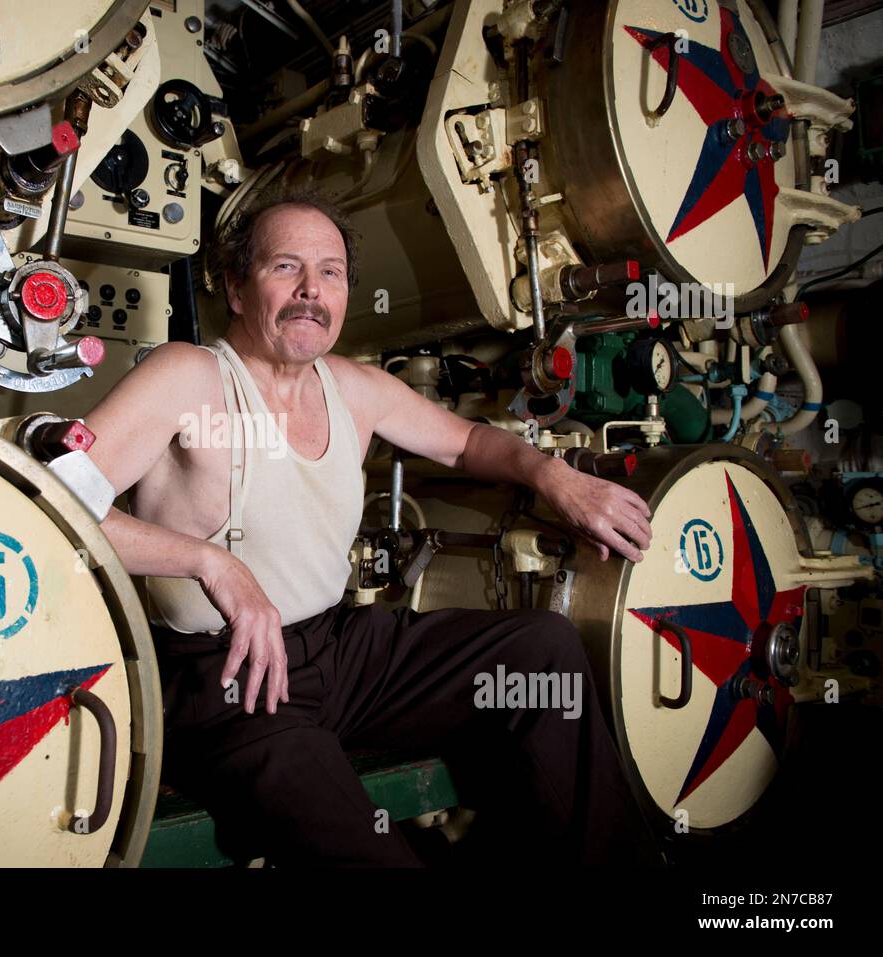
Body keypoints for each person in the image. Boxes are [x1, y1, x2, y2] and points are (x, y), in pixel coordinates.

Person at [82, 182, 663, 867]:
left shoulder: (352, 387)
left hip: (341, 653)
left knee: (544, 649)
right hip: (229, 683)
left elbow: (468, 443)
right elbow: (57, 502)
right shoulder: (189, 376)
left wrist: (552, 475)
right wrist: (214, 563)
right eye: (284, 267)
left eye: (329, 273)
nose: (310, 290)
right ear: (237, 289)